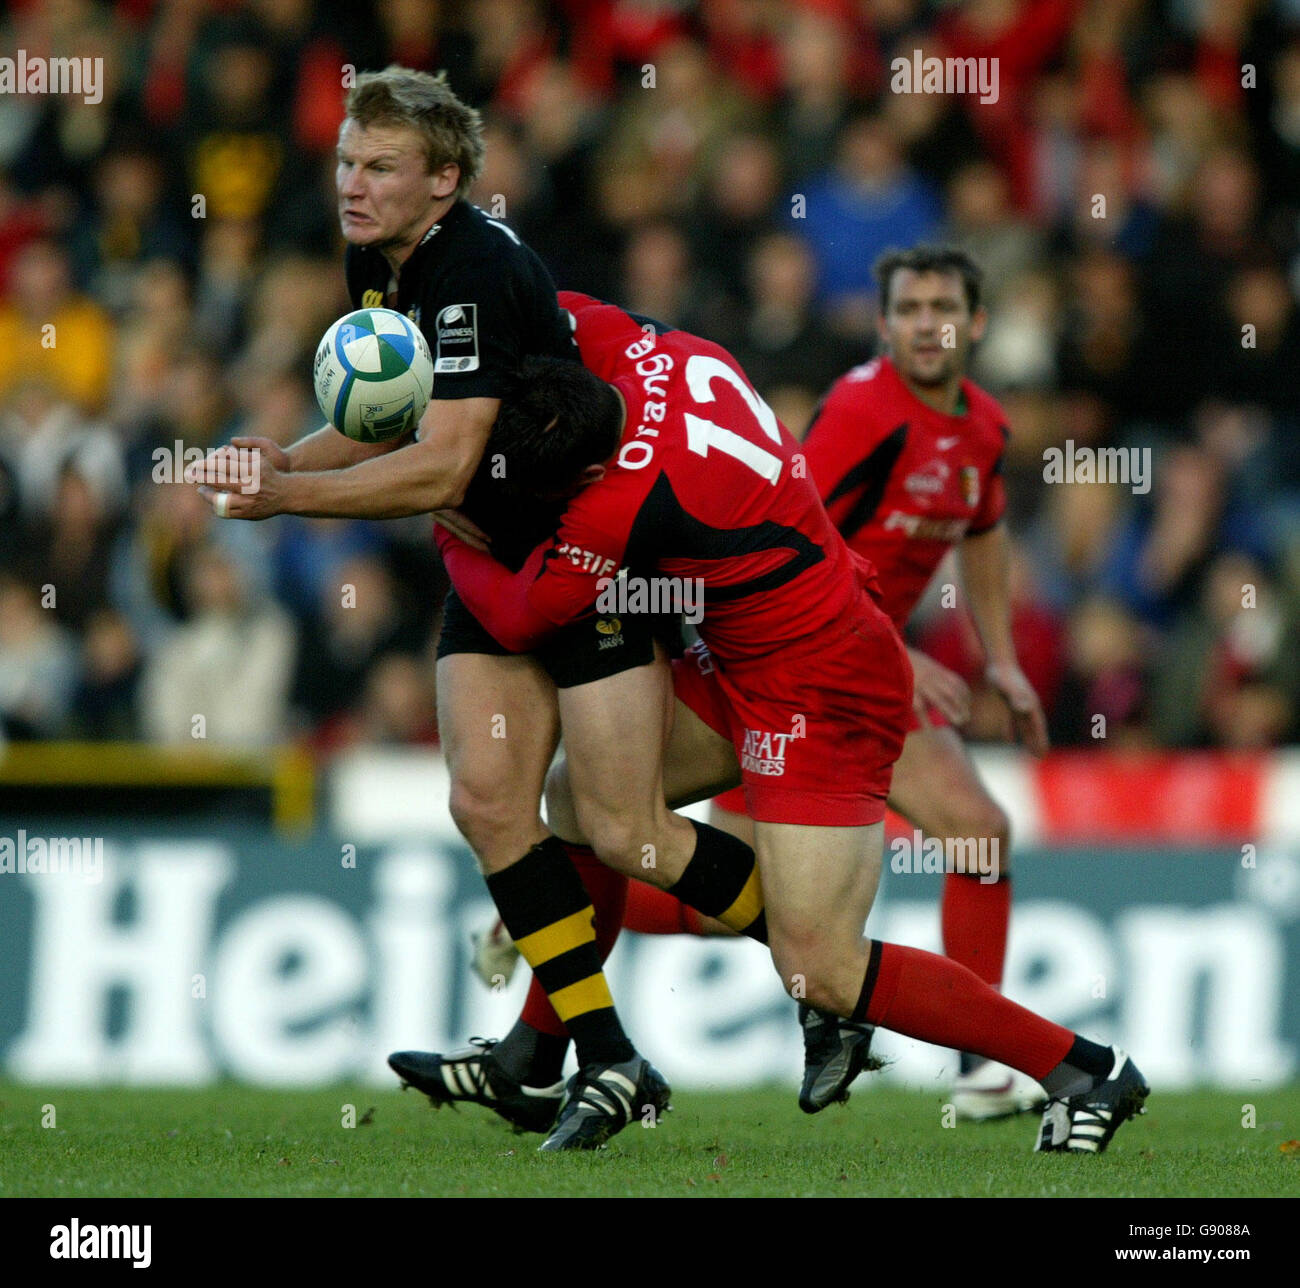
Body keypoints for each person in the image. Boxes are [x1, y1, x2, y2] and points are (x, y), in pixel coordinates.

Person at [419, 290, 1150, 1156]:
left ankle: (1084, 1069)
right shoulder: (672, 350)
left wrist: (444, 518)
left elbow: (515, 614)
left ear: (579, 475)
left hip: (820, 686)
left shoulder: (614, 508)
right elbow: (542, 296)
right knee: (584, 807)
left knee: (822, 966)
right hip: (760, 651)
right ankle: (542, 1050)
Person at [187, 67, 670, 1150]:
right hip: (488, 564)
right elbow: (391, 415)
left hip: (574, 559)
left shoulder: (473, 275)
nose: (352, 186)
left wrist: (289, 496)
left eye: (381, 168)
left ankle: (835, 975)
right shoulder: (377, 258)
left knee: (627, 833)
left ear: (444, 181)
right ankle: (609, 1059)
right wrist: (285, 461)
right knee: (487, 803)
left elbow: (442, 465)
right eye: (347, 163)